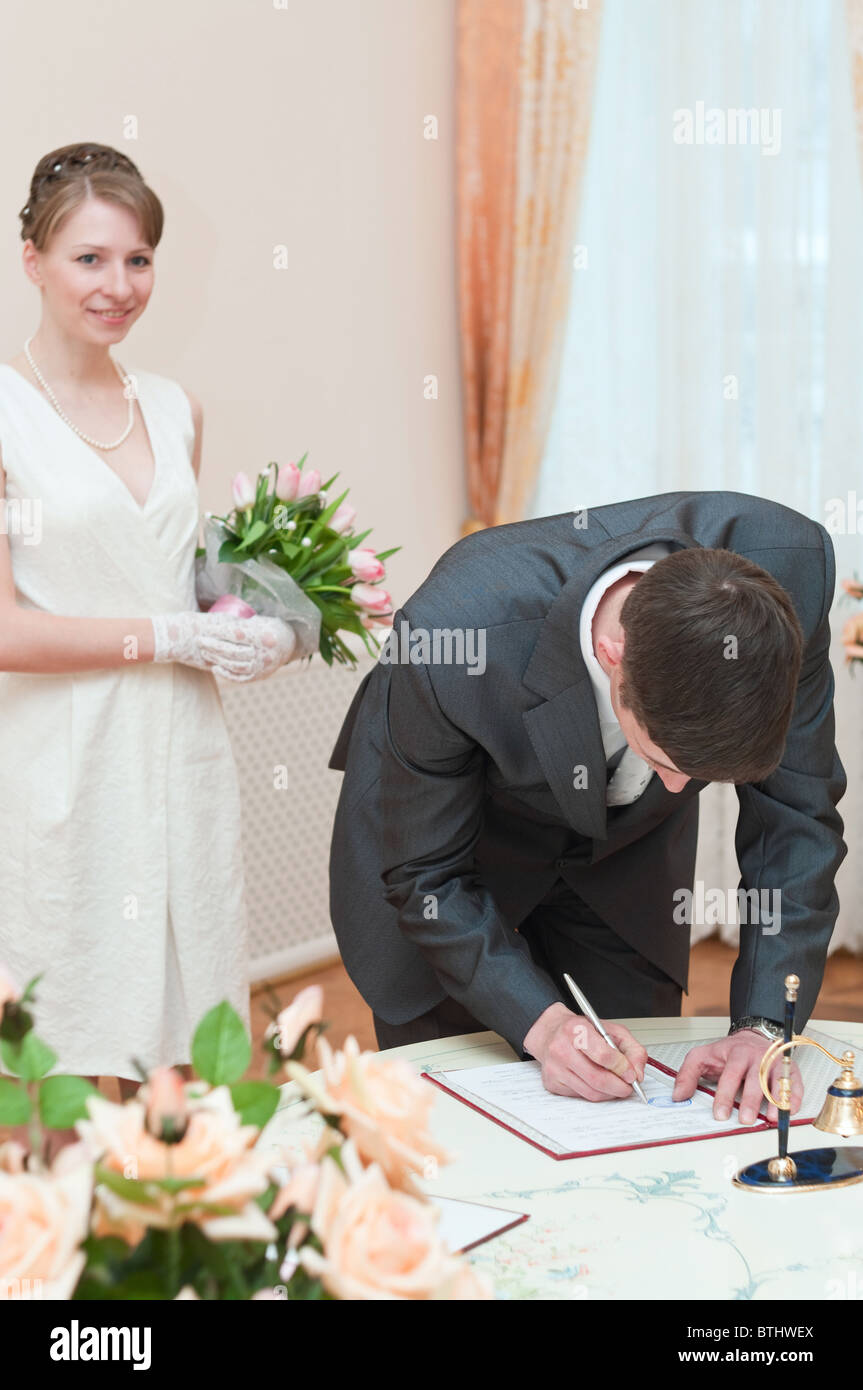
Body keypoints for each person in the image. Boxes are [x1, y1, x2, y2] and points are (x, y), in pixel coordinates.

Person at [328, 491, 848, 1125]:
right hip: (451, 860)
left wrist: (764, 1028)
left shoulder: (787, 579)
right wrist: (542, 1027)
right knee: (461, 1126)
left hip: (622, 854)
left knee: (632, 1102)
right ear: (615, 655)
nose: (680, 792)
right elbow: (427, 874)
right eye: (667, 764)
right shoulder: (451, 631)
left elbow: (796, 818)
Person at [0, 142, 297, 1127]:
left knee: (187, 1037)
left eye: (137, 259)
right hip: (64, 759)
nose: (116, 285)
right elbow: (6, 630)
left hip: (180, 751)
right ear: (33, 260)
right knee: (67, 1051)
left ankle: (181, 1248)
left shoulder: (175, 409)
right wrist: (164, 637)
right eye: (88, 259)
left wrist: (259, 632)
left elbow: (181, 581)